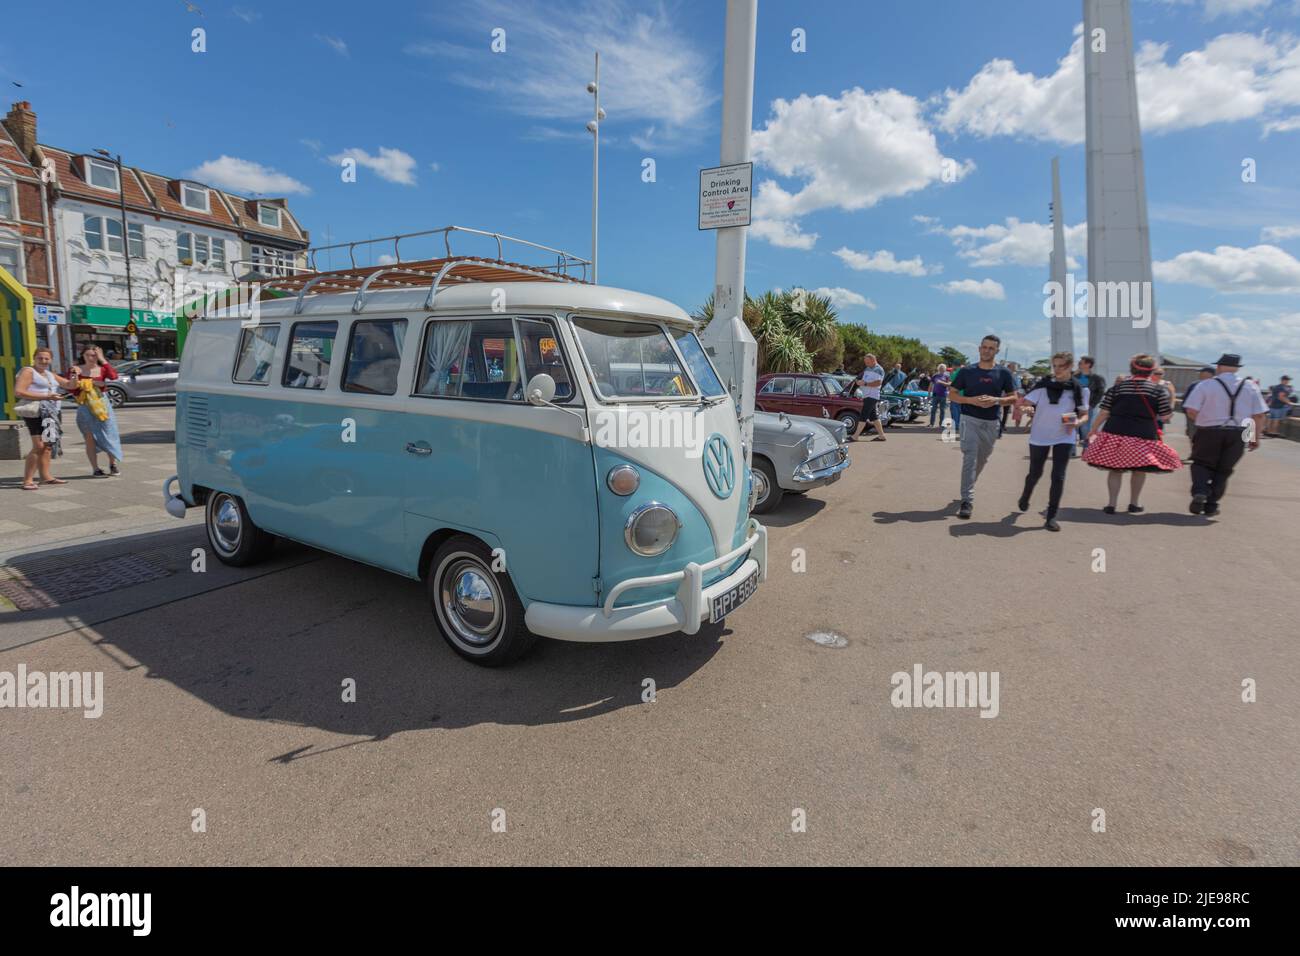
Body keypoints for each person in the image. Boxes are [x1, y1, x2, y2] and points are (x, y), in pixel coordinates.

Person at [1082, 354, 1182, 513]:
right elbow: (1165, 416)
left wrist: (1093, 429)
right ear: (1151, 371)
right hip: (1144, 434)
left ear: (1132, 369)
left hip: (1115, 432)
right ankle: (1134, 503)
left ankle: (1111, 504)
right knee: (1139, 469)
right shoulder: (1157, 390)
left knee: (1115, 469)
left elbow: (1104, 412)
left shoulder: (1118, 388)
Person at [1182, 354, 1268, 516]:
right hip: (1240, 432)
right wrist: (1253, 437)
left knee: (1201, 463)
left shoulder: (1206, 385)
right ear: (1236, 368)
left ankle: (1200, 491)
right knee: (1224, 469)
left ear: (1219, 367)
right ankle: (1212, 504)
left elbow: (1191, 410)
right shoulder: (1250, 386)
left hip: (1209, 430)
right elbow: (1258, 415)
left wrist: (1204, 422)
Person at [1018, 352, 1088, 531]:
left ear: (1070, 367)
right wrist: (1026, 408)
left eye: (1061, 366)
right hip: (1040, 435)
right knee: (1035, 473)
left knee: (1058, 476)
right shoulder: (1042, 386)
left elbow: (1084, 414)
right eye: (1054, 366)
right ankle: (1026, 495)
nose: (1057, 369)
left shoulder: (1078, 389)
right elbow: (1025, 402)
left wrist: (1077, 423)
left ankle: (1051, 516)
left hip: (1064, 436)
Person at [950, 335, 1018, 519]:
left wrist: (996, 400)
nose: (987, 351)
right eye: (984, 347)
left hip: (991, 422)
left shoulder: (1004, 373)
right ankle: (967, 500)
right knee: (969, 457)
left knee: (982, 459)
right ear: (979, 348)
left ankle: (969, 485)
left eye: (991, 348)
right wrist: (969, 400)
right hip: (968, 419)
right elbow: (953, 394)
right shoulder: (967, 371)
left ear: (996, 351)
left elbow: (1013, 397)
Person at [14, 347, 72, 490]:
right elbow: (19, 392)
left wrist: (75, 375)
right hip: (35, 412)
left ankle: (46, 477)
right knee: (38, 446)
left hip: (51, 412)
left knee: (47, 446)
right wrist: (46, 397)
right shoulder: (28, 371)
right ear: (34, 358)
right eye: (40, 358)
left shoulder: (49, 374)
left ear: (51, 360)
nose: (44, 361)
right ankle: (27, 480)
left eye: (47, 358)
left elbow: (69, 385)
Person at [68, 345, 124, 477]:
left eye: (94, 355)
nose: (91, 357)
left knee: (109, 433)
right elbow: (72, 388)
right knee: (89, 438)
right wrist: (76, 377)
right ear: (83, 356)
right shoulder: (76, 369)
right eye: (88, 355)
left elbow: (113, 376)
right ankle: (95, 468)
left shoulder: (102, 368)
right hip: (85, 405)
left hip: (102, 405)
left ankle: (113, 464)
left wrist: (103, 359)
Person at [1074, 356, 1106, 458]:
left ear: (1088, 364)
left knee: (1085, 428)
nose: (1079, 363)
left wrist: (1092, 405)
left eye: (1081, 362)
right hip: (1072, 407)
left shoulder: (1097, 378)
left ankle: (1086, 449)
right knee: (1069, 426)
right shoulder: (1073, 376)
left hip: (1088, 407)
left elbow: (1100, 392)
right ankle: (1070, 450)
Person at [853, 354, 887, 442]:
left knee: (863, 415)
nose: (866, 364)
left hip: (872, 395)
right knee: (874, 417)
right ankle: (881, 435)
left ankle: (855, 436)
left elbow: (878, 383)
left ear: (873, 360)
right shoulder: (867, 369)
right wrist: (858, 381)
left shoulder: (879, 369)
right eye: (865, 362)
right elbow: (860, 378)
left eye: (868, 362)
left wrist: (865, 384)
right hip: (867, 395)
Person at [1182, 366, 1215, 444]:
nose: (1199, 374)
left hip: (1200, 416)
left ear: (1209, 374)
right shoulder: (1194, 384)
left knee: (1196, 437)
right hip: (1195, 416)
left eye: (1202, 372)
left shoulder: (1196, 384)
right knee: (1194, 437)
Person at [929, 364, 950, 428]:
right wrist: (929, 393)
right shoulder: (935, 376)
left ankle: (941, 424)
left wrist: (941, 382)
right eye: (940, 368)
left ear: (945, 369)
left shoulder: (946, 376)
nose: (941, 369)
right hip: (935, 395)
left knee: (942, 410)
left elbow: (949, 384)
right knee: (933, 410)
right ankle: (931, 424)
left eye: (943, 368)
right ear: (938, 368)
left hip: (943, 395)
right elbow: (931, 385)